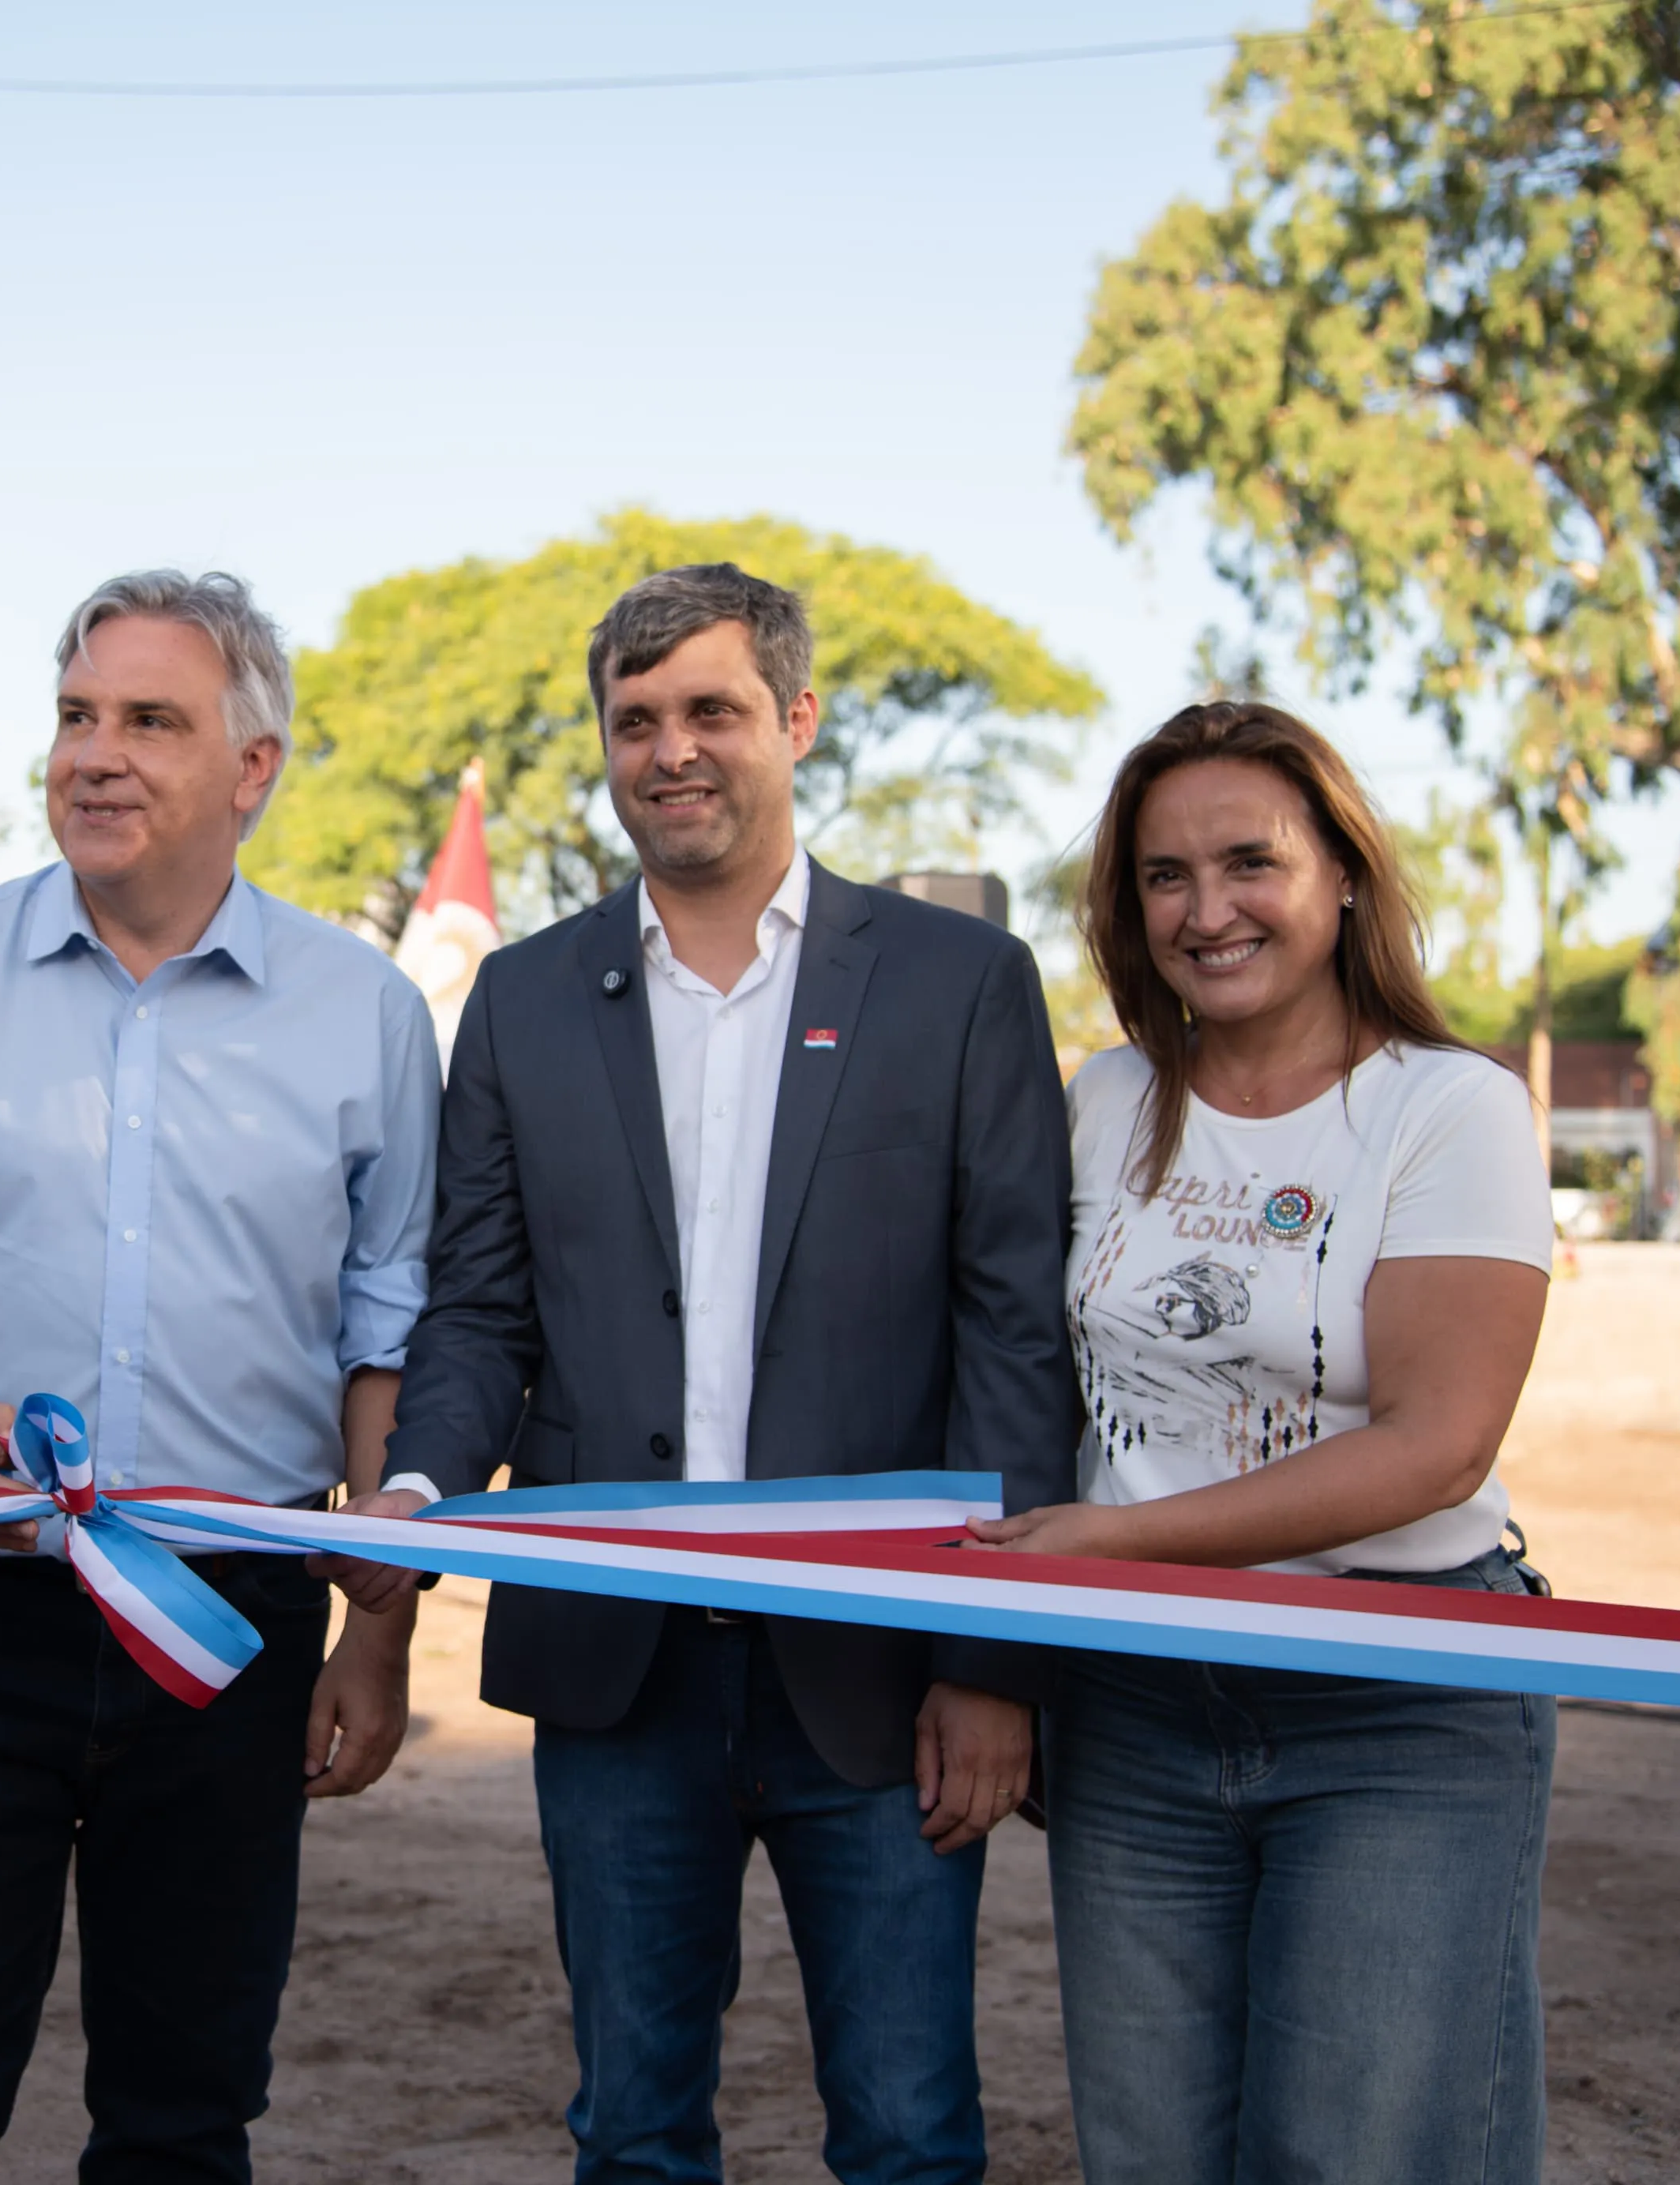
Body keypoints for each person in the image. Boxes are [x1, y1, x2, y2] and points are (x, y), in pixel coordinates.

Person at [355, 563, 1080, 2185]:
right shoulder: (524, 998)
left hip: (883, 1666)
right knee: (630, 2130)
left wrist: (995, 1660)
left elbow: (1013, 1334)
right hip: (616, 1673)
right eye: (633, 722)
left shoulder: (960, 986)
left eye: (709, 711)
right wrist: (410, 1491)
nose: (669, 751)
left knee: (905, 2132)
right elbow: (477, 1314)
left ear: (796, 722)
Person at [0, 570, 440, 2184]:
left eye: (150, 720)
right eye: (76, 716)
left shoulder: (368, 1016)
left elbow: (389, 1324)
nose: (96, 755)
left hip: (228, 1624)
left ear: (252, 770)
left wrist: (377, 1629)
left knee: (185, 2111)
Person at [965, 700, 1556, 2183]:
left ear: (1343, 873)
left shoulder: (1451, 1109)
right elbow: (1017, 1355)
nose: (1207, 910)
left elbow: (1437, 1442)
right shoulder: (1104, 1101)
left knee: (1351, 2154)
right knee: (1151, 2152)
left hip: (1397, 1695)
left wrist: (1114, 1540)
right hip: (1137, 1707)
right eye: (1166, 876)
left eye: (1251, 862)